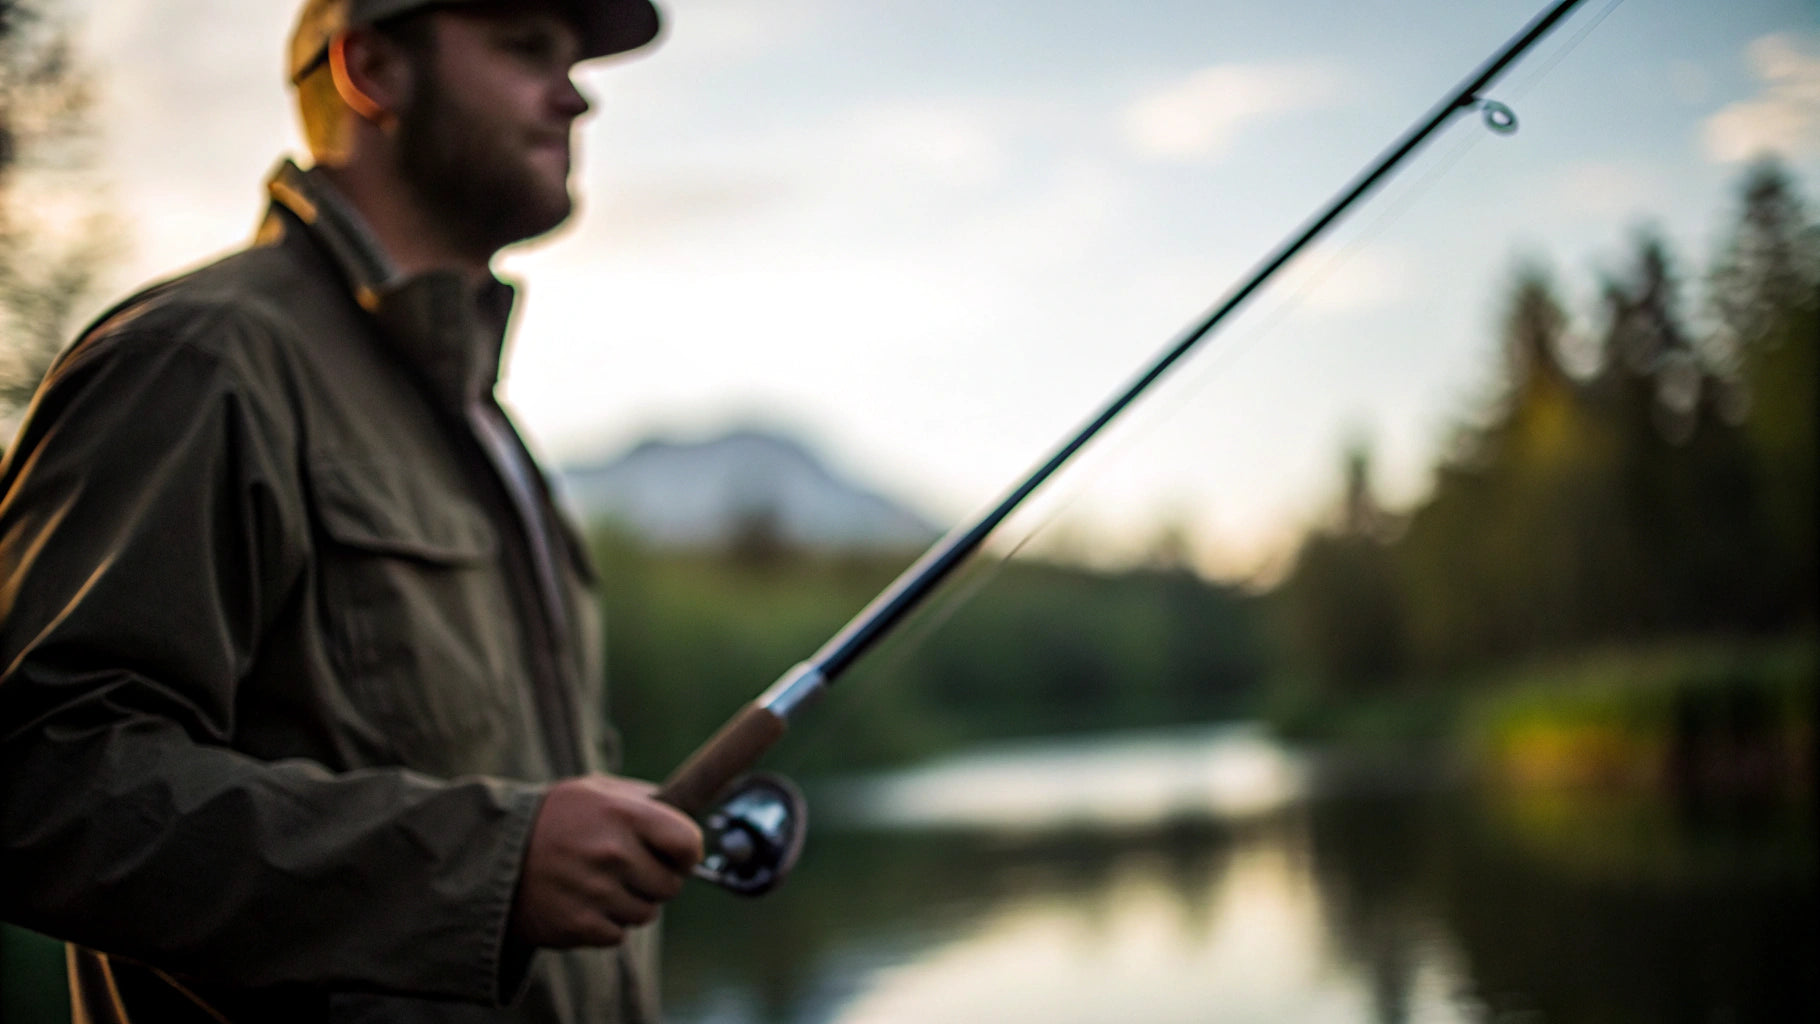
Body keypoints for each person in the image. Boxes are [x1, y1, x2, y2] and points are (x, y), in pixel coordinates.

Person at [0, 1, 704, 1021]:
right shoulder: (200, 358)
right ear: (371, 69)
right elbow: (35, 782)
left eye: (573, 63)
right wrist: (489, 862)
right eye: (524, 49)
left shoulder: (483, 429)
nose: (574, 97)